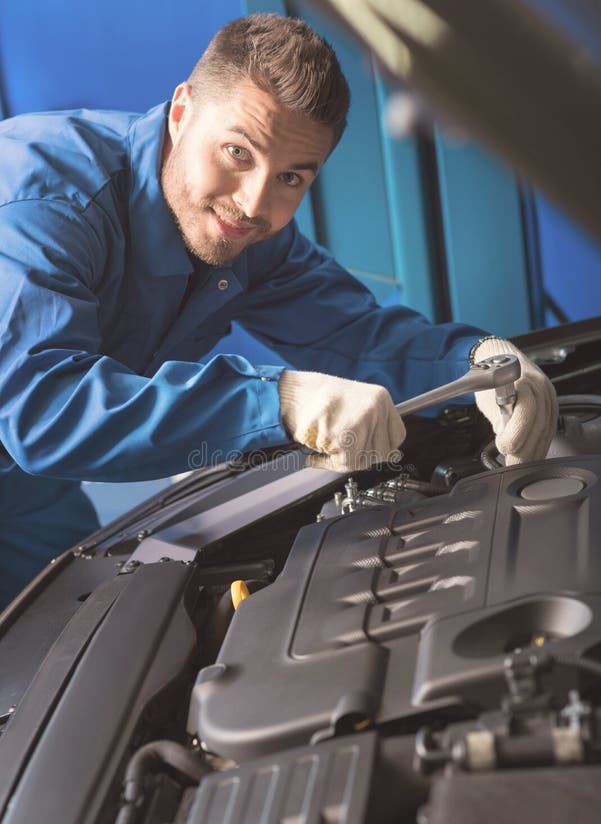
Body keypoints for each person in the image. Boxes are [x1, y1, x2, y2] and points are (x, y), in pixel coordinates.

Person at [0, 13, 556, 607]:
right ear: (182, 111)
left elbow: (353, 333)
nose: (254, 203)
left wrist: (475, 362)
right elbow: (43, 407)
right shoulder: (46, 201)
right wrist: (278, 401)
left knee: (65, 627)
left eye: (291, 176)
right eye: (238, 152)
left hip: (26, 490)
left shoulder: (253, 237)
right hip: (25, 442)